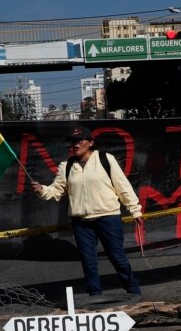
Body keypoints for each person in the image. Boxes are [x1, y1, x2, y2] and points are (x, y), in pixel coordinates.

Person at [32, 125, 144, 299]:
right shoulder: (66, 166)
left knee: (117, 257)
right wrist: (41, 189)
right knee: (88, 261)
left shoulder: (105, 159)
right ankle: (95, 295)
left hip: (108, 217)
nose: (75, 144)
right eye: (72, 141)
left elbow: (123, 187)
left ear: (90, 142)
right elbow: (55, 192)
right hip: (81, 222)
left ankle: (133, 290)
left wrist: (135, 210)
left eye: (79, 140)